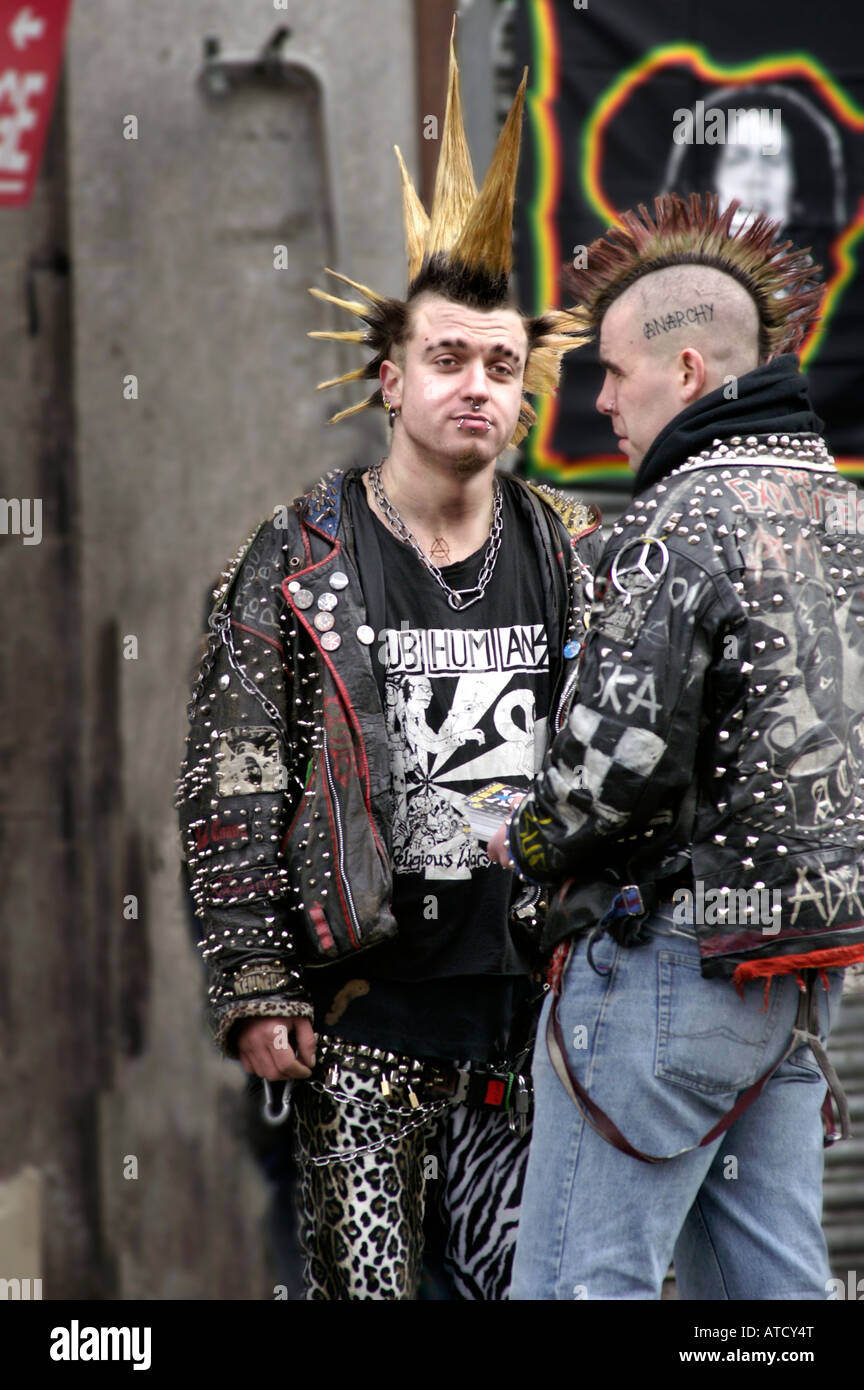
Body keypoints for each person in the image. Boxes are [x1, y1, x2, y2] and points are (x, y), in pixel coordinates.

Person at [176, 29, 601, 1301]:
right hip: (360, 1017)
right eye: (449, 358)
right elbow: (236, 781)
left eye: (504, 366)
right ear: (388, 377)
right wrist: (253, 982)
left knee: (531, 1290)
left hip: (534, 1022)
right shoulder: (300, 554)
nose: (478, 383)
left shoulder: (570, 551)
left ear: (527, 395)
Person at [487, 192, 864, 1300]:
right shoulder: (848, 521)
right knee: (776, 1304)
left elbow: (608, 773)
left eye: (611, 372)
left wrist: (524, 843)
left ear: (688, 370)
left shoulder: (670, 530)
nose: (596, 400)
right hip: (800, 984)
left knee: (574, 1287)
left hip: (667, 972)